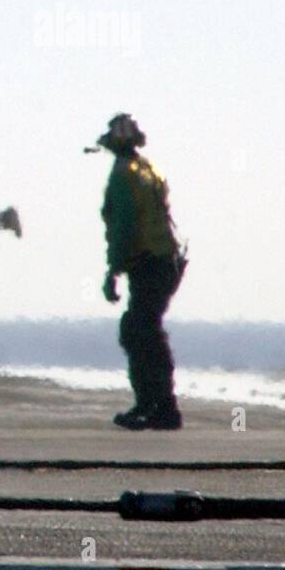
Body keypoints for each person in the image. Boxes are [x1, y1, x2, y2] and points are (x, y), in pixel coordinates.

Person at [96, 113, 186, 431]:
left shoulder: (124, 175)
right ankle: (161, 405)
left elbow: (124, 227)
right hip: (167, 261)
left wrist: (113, 271)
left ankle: (155, 406)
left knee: (139, 332)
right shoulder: (150, 169)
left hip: (149, 263)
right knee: (146, 330)